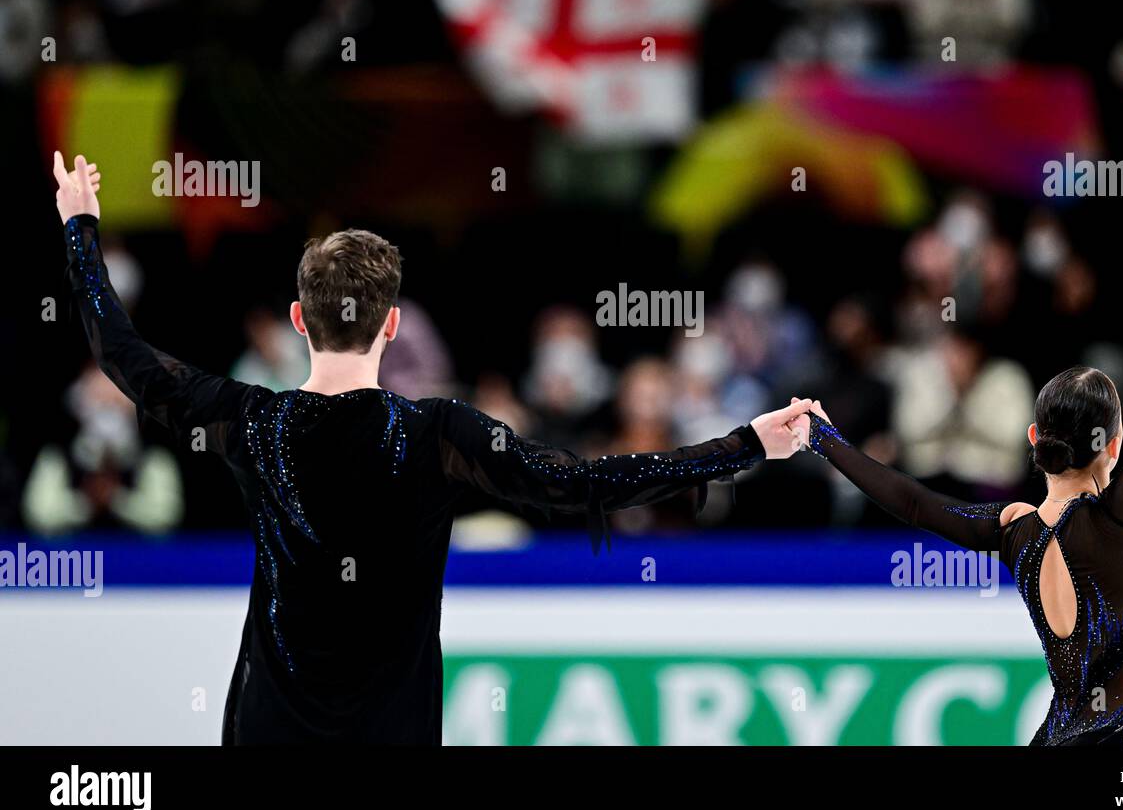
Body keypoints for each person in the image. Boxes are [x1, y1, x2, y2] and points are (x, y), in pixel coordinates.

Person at [51, 151, 813, 745]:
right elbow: (586, 482)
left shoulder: (252, 421)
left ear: (297, 318)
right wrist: (740, 444)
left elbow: (124, 355)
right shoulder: (439, 434)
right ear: (390, 325)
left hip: (269, 731)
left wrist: (81, 230)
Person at [799, 189, 1123, 746]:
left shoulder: (1016, 531)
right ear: (1112, 445)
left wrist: (827, 441)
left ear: (1034, 438)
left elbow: (912, 501)